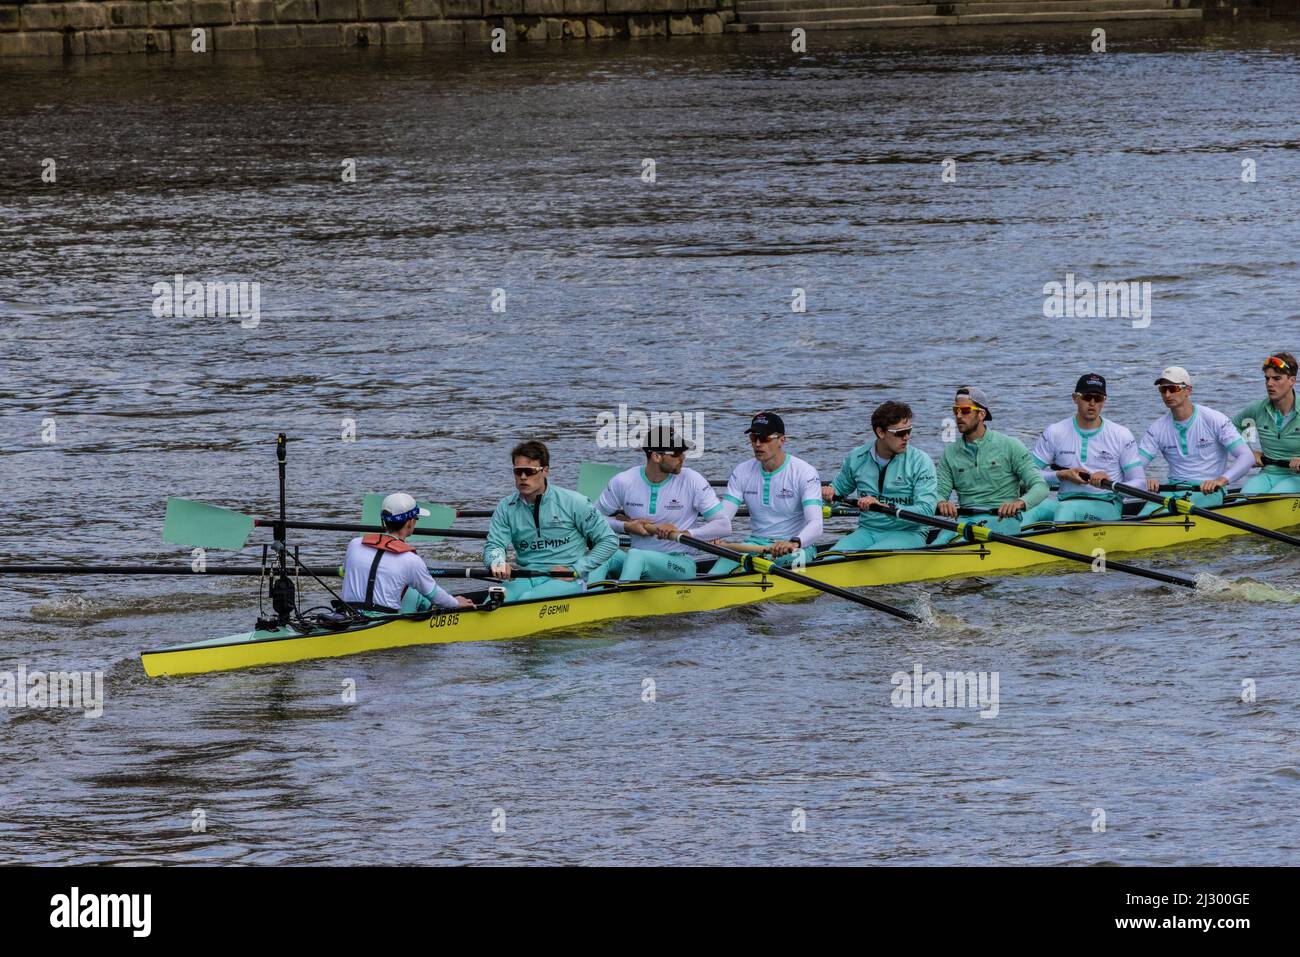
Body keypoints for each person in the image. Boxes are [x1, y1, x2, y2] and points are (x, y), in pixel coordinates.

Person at [483, 440, 620, 602]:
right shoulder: (506, 507)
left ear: (545, 470)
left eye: (529, 471)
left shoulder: (575, 502)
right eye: (518, 472)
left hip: (567, 579)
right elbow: (494, 545)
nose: (523, 477)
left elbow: (609, 540)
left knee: (528, 599)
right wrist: (497, 561)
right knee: (492, 602)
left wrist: (576, 569)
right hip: (526, 576)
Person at [595, 430, 729, 581]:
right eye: (676, 453)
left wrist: (684, 533)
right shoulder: (623, 481)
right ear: (656, 456)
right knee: (602, 552)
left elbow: (724, 526)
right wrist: (626, 526)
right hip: (636, 560)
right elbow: (593, 520)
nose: (683, 457)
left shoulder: (692, 480)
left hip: (680, 564)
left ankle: (620, 601)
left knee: (636, 556)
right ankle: (585, 597)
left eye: (683, 452)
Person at [1020, 373, 1146, 524]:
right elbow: (1027, 475)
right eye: (1087, 397)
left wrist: (1110, 483)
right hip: (1065, 502)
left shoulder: (1121, 435)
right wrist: (1061, 475)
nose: (1092, 403)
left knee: (1066, 510)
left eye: (1098, 398)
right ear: (1075, 398)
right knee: (1026, 508)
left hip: (1106, 505)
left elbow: (1140, 484)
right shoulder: (1055, 432)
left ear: (1104, 401)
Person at [709, 411, 823, 574]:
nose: (757, 444)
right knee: (714, 575)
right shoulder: (742, 471)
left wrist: (794, 542)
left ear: (781, 440)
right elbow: (723, 518)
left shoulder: (804, 472)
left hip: (796, 550)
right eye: (753, 438)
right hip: (754, 545)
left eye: (764, 438)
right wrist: (709, 533)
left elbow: (816, 525)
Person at [821, 400, 938, 552]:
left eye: (909, 431)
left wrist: (886, 507)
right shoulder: (857, 458)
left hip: (908, 533)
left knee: (869, 557)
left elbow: (927, 510)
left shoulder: (920, 462)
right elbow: (838, 492)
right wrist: (829, 495)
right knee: (831, 557)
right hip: (867, 532)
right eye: (900, 433)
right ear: (880, 432)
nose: (907, 437)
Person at [934, 386, 1048, 539]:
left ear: (981, 414)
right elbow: (939, 491)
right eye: (956, 411)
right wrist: (941, 502)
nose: (959, 416)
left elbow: (1041, 487)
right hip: (965, 520)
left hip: (1003, 519)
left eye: (965, 410)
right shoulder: (950, 453)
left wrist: (1018, 503)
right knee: (937, 545)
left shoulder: (1010, 446)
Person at [1136, 366, 1254, 514]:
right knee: (1144, 516)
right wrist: (1143, 481)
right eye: (1163, 389)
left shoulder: (1214, 419)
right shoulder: (1157, 428)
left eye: (1173, 388)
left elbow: (1247, 457)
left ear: (1188, 390)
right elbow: (1134, 466)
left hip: (1208, 491)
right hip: (1172, 490)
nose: (1167, 394)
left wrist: (1221, 480)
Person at [341, 492, 473, 614]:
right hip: (384, 622)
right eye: (416, 518)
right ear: (410, 522)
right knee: (419, 593)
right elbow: (436, 596)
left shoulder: (355, 544)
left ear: (384, 521)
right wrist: (456, 603)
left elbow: (347, 573)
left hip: (347, 614)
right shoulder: (410, 559)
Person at [1233, 352, 1300, 494]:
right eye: (1267, 378)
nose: (1270, 384)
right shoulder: (1258, 409)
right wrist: (1248, 451)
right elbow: (1234, 427)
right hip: (1268, 474)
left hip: (1296, 477)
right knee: (1243, 499)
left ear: (1292, 380)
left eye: (1276, 378)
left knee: (1272, 500)